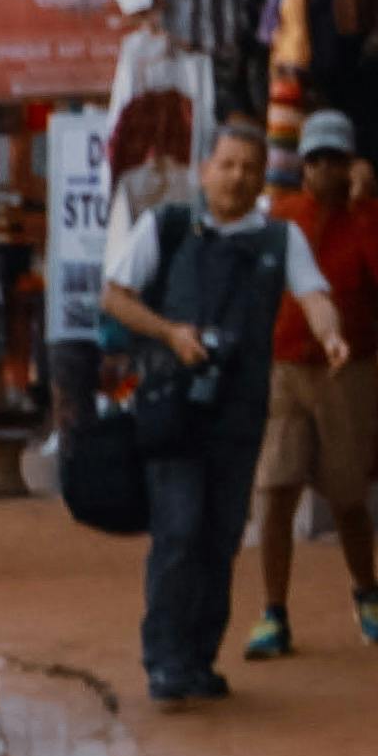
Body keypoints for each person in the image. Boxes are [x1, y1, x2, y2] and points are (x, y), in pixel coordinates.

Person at [100, 120, 328, 705]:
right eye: (226, 165)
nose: (237, 177)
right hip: (172, 410)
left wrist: (332, 336)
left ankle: (200, 658)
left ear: (263, 177)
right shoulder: (167, 226)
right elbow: (114, 296)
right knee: (177, 530)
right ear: (204, 170)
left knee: (221, 535)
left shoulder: (281, 239)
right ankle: (166, 662)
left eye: (249, 168)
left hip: (240, 413)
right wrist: (171, 334)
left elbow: (314, 295)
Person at [244, 110, 378, 659]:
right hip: (286, 367)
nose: (323, 171)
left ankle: (366, 590)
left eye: (333, 161)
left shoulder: (376, 218)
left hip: (350, 369)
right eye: (314, 160)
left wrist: (363, 207)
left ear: (351, 165)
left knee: (348, 493)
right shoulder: (284, 216)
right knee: (274, 490)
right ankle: (273, 611)